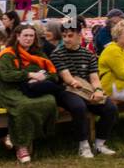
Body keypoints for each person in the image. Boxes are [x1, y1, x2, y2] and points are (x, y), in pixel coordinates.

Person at [0, 24, 59, 165]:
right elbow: (6, 75)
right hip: (10, 90)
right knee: (23, 106)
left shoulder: (38, 53)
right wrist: (29, 74)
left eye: (31, 36)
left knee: (50, 101)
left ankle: (39, 138)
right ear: (17, 36)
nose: (28, 38)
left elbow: (52, 72)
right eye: (25, 35)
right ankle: (21, 146)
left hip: (34, 88)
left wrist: (43, 77)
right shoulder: (8, 54)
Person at [50, 20, 118, 158]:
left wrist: (98, 91)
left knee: (110, 108)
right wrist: (77, 85)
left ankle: (100, 144)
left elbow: (94, 78)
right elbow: (66, 77)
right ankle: (83, 145)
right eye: (64, 36)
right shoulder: (57, 54)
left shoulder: (89, 54)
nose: (66, 39)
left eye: (70, 35)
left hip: (86, 89)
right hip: (67, 90)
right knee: (78, 107)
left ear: (79, 36)